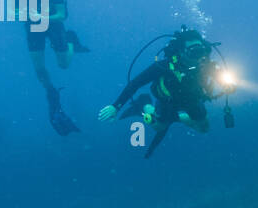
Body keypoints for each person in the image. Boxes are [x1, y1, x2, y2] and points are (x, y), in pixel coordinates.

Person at [97, 27, 233, 158]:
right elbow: (135, 83)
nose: (198, 57)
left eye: (200, 51)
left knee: (204, 128)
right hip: (168, 101)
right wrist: (116, 106)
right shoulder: (164, 66)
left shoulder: (206, 64)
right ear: (181, 51)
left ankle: (176, 117)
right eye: (193, 52)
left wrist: (228, 85)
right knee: (159, 127)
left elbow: (222, 79)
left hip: (193, 99)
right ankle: (144, 104)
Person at [3, 0, 87, 135]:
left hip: (53, 22)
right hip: (32, 25)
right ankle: (51, 93)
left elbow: (62, 15)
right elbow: (11, 11)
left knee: (63, 65)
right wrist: (25, 13)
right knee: (39, 69)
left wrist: (43, 17)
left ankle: (70, 41)